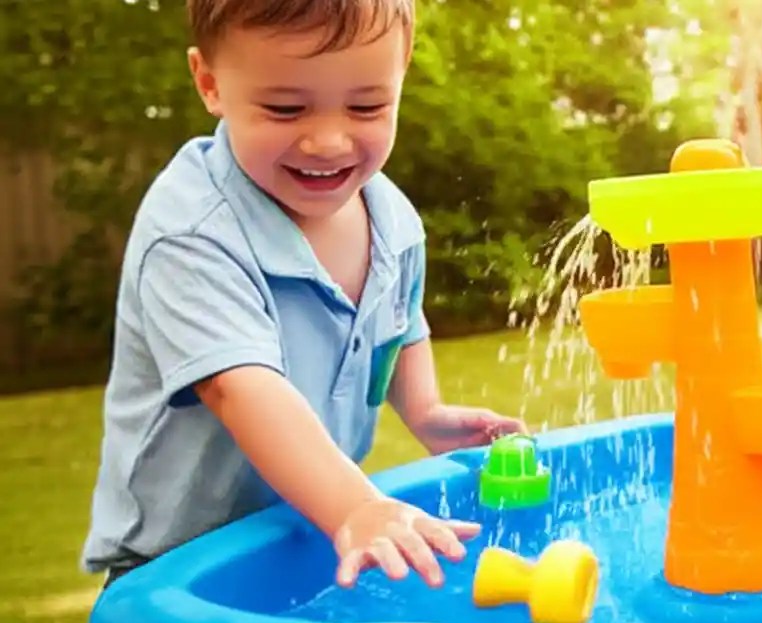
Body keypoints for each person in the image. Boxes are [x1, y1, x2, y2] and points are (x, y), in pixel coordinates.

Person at [82, 0, 526, 592]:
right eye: (285, 108)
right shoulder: (193, 233)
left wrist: (425, 409)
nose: (328, 141)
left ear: (402, 71)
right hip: (177, 568)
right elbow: (241, 388)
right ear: (210, 83)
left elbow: (397, 318)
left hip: (301, 530)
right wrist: (353, 508)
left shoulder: (389, 214)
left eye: (366, 105)